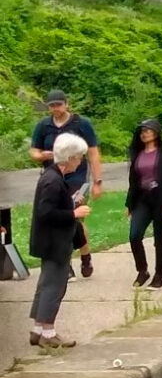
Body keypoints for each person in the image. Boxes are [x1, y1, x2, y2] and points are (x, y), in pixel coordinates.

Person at [30, 90, 103, 278]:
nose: (56, 109)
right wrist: (42, 155)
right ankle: (66, 262)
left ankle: (85, 255)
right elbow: (34, 151)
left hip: (77, 179)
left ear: (66, 104)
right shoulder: (44, 126)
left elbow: (93, 153)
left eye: (59, 105)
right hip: (54, 178)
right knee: (61, 218)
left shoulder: (81, 124)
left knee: (76, 218)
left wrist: (97, 181)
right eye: (52, 105)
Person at [29, 132, 91, 348]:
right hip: (54, 242)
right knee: (54, 287)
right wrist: (74, 213)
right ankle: (48, 332)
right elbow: (45, 212)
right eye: (79, 157)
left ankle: (37, 329)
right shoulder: (53, 181)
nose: (81, 160)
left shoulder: (52, 177)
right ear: (70, 158)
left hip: (49, 241)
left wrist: (71, 203)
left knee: (46, 284)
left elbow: (53, 207)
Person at [124, 118, 162, 287]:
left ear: (156, 133)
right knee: (134, 235)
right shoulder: (137, 154)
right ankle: (142, 271)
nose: (144, 134)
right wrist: (129, 204)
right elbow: (133, 181)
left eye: (148, 130)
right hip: (143, 199)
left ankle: (159, 275)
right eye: (142, 131)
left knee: (160, 239)